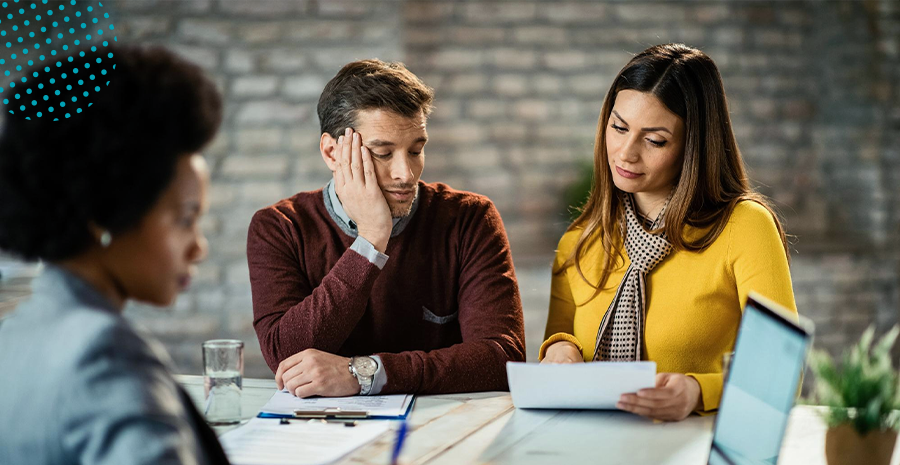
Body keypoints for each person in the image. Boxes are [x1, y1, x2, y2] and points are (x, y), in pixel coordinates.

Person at [540, 43, 797, 421]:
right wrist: (559, 352)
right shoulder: (579, 240)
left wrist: (698, 391)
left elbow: (783, 370)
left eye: (654, 140)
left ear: (693, 146)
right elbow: (557, 345)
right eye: (618, 127)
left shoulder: (744, 227)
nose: (626, 153)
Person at [0, 45, 228, 463]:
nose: (199, 247)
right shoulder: (104, 355)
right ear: (105, 213)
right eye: (184, 218)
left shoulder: (15, 336)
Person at [247, 59, 525, 397]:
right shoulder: (280, 227)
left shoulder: (470, 219)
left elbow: (502, 358)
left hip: (443, 432)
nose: (405, 174)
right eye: (382, 152)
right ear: (332, 153)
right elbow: (284, 358)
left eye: (416, 150)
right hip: (323, 433)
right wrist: (370, 241)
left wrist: (364, 373)